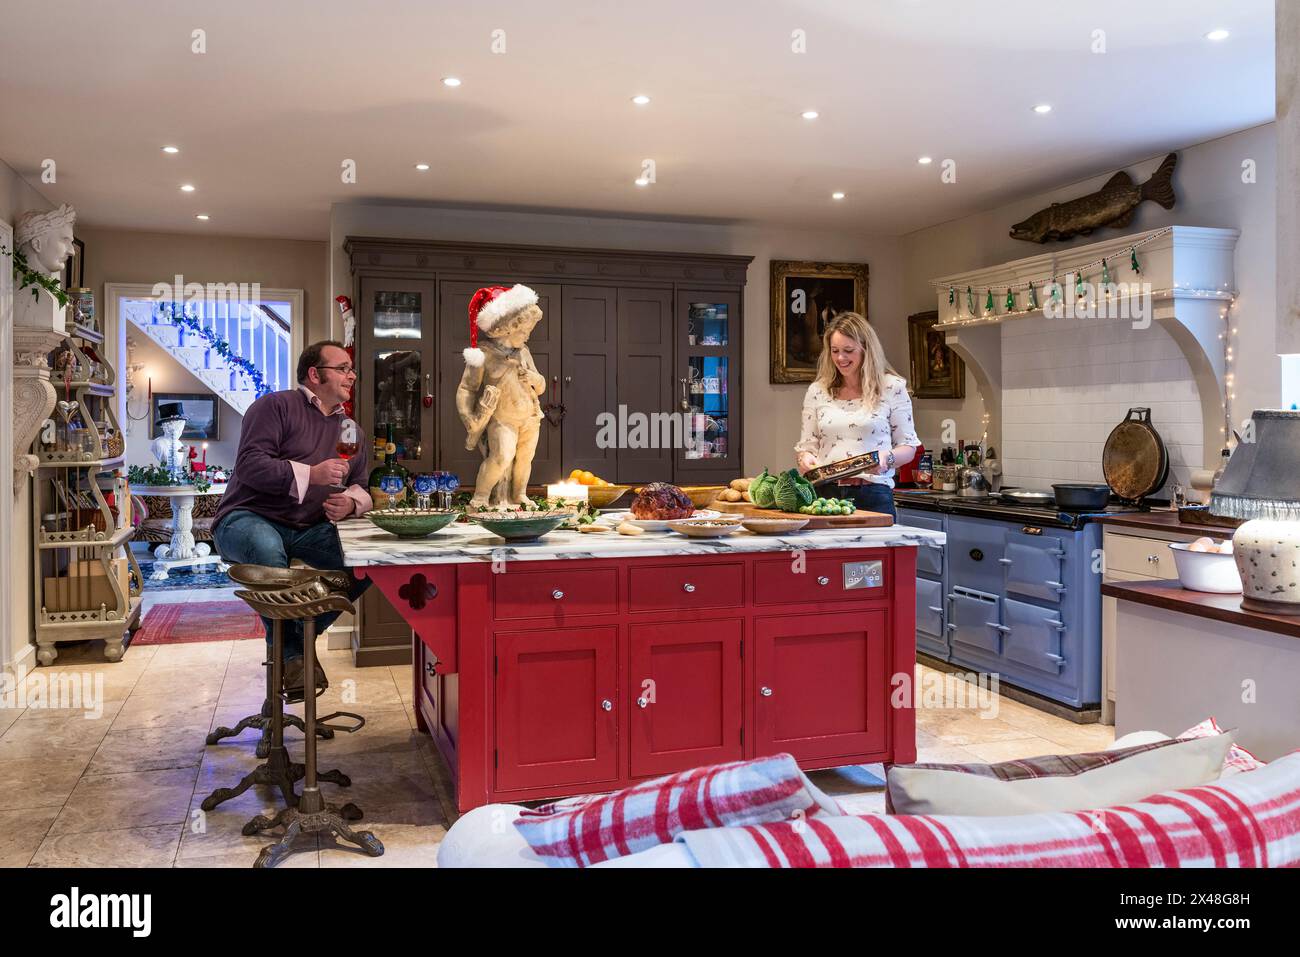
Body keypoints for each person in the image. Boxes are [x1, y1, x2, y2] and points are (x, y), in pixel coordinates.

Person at [212, 341, 371, 700]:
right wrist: (311, 474)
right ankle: (295, 658)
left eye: (351, 368)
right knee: (267, 547)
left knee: (369, 560)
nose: (352, 375)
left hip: (307, 530)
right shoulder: (276, 406)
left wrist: (350, 503)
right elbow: (251, 465)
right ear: (315, 374)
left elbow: (361, 484)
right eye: (343, 368)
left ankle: (296, 640)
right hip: (246, 517)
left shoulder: (348, 428)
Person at [793, 312, 920, 519]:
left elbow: (908, 447)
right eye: (835, 351)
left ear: (866, 350)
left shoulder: (892, 387)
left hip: (873, 494)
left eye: (848, 351)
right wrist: (805, 458)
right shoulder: (817, 391)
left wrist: (886, 458)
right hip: (826, 494)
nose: (840, 358)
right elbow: (807, 446)